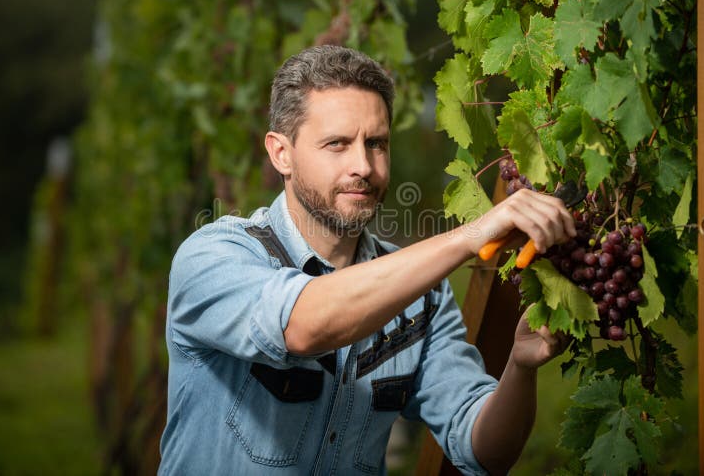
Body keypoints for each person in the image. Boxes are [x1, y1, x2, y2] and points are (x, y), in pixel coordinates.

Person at [158, 45, 574, 476]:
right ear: (281, 152)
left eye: (376, 144)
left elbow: (483, 452)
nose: (364, 166)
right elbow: (304, 325)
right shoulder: (214, 257)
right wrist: (469, 237)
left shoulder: (422, 297)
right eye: (337, 144)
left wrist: (520, 368)